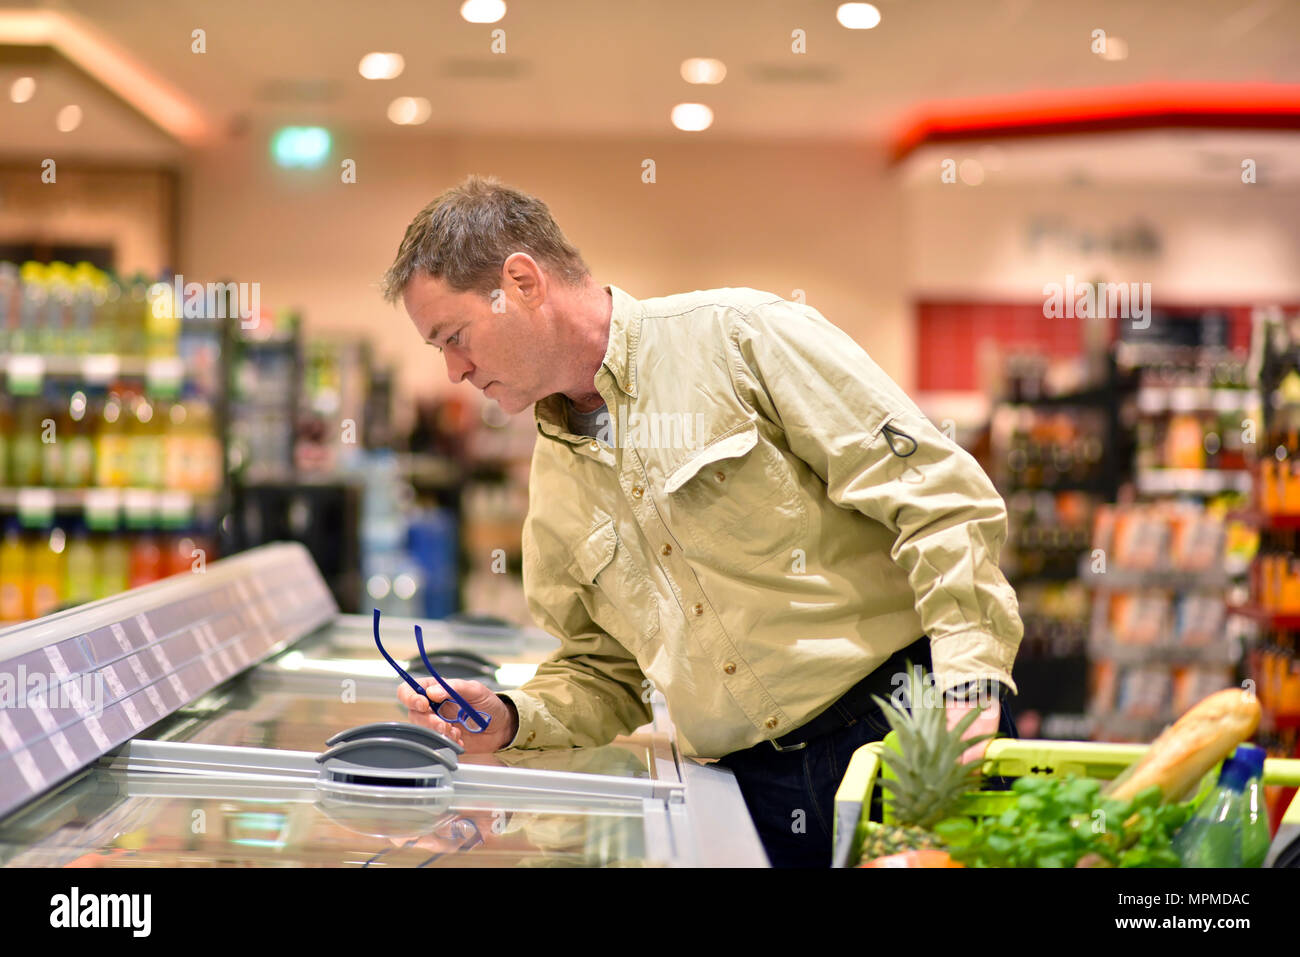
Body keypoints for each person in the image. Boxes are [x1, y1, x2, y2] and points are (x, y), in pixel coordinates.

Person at [379, 175, 1023, 867]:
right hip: (747, 795)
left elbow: (937, 498)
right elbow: (605, 670)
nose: (453, 370)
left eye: (453, 336)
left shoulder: (741, 336)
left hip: (909, 733)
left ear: (523, 281)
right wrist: (508, 718)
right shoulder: (555, 475)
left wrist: (969, 684)